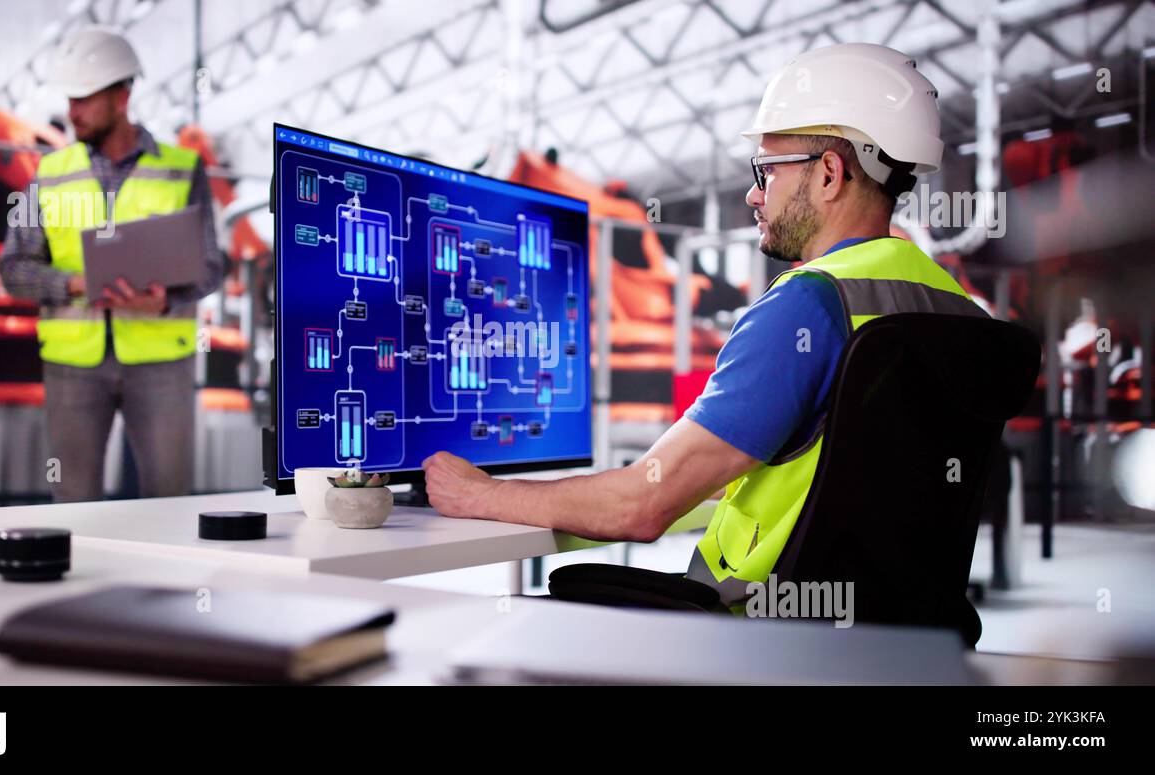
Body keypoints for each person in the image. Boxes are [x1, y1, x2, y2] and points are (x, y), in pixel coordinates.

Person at [421, 43, 987, 605]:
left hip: (757, 631)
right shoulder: (955, 305)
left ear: (829, 174)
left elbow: (641, 506)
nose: (753, 194)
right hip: (906, 634)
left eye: (766, 170)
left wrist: (480, 493)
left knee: (517, 619)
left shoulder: (809, 303)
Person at [0, 26, 223, 502]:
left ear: (121, 97)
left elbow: (210, 265)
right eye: (70, 99)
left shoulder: (183, 168)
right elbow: (14, 267)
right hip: (72, 364)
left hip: (162, 361)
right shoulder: (48, 173)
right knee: (72, 501)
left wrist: (165, 301)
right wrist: (77, 283)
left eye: (83, 99)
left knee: (169, 500)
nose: (72, 111)